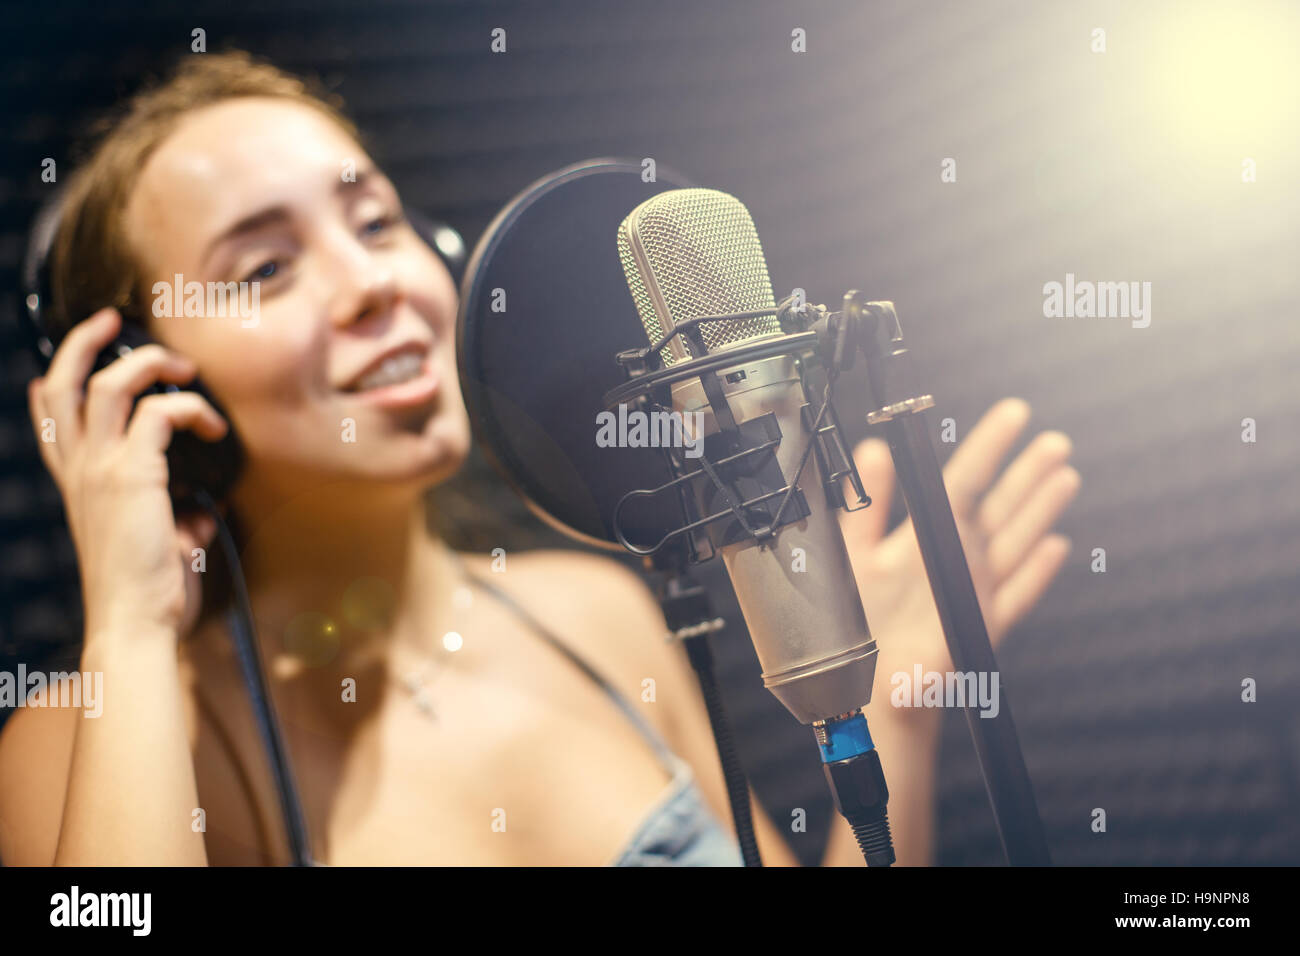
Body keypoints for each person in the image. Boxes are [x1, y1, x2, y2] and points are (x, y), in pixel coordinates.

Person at [0, 51, 1079, 866]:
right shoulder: (91, 733)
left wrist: (893, 710)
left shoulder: (598, 613)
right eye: (268, 266)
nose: (378, 281)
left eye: (375, 222)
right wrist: (132, 627)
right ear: (151, 380)